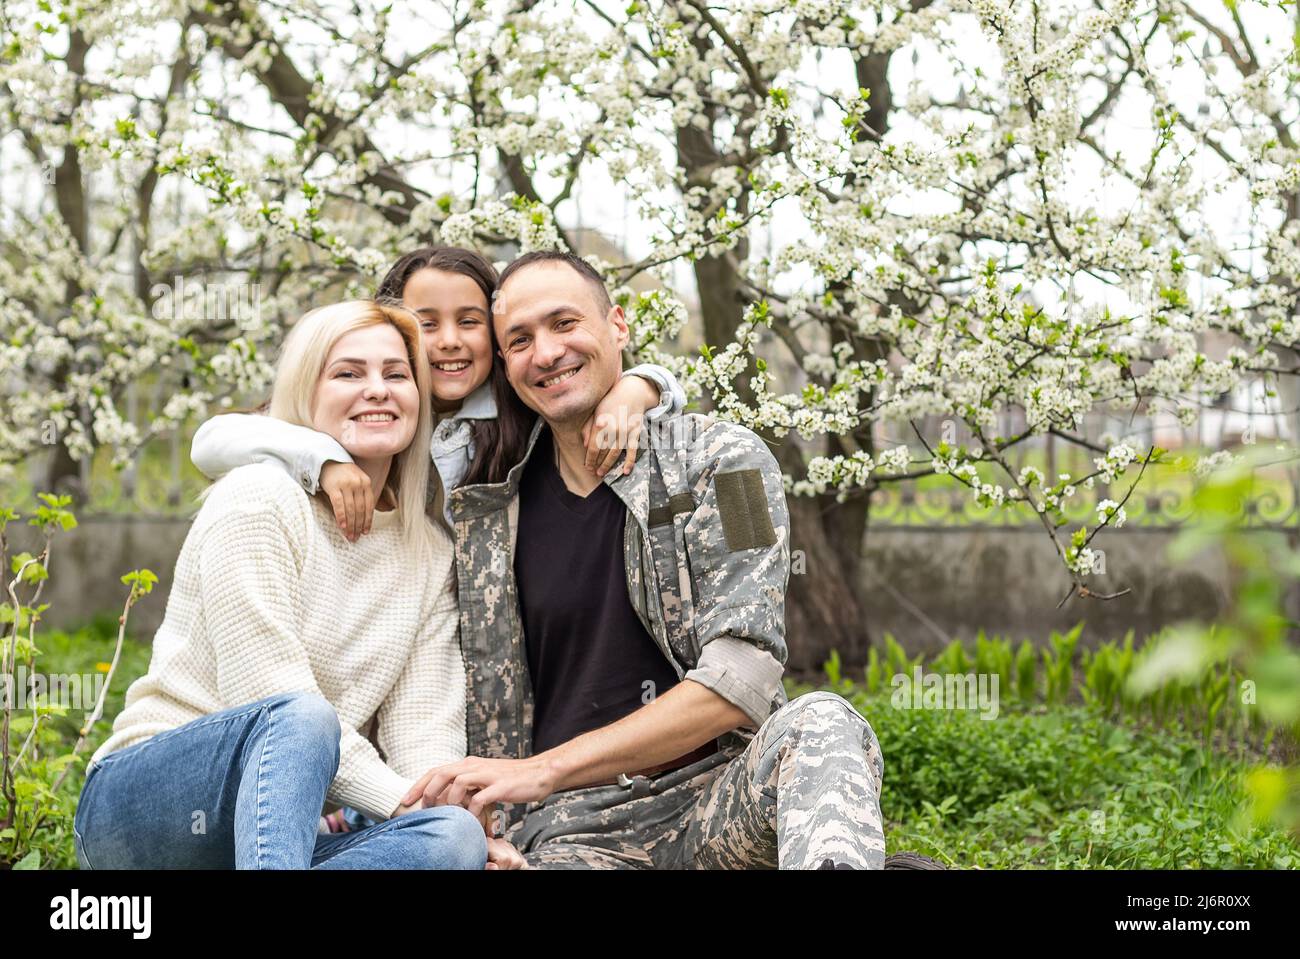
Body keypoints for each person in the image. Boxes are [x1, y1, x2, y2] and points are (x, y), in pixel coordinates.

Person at [401, 251, 890, 869]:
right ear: (505, 365)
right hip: (570, 834)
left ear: (619, 327)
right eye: (519, 340)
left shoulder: (729, 464)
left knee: (822, 722)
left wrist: (542, 770)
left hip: (722, 795)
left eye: (564, 323)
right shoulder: (485, 519)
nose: (546, 353)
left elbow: (743, 679)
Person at [73, 300, 488, 870]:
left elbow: (424, 725)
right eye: (348, 373)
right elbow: (265, 694)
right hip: (146, 808)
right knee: (300, 715)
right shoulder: (258, 499)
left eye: (397, 375)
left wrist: (438, 804)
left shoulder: (429, 552)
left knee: (454, 837)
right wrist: (400, 803)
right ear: (306, 393)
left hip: (272, 834)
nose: (377, 390)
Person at [191, 246, 685, 540]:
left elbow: (608, 385)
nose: (449, 340)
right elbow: (211, 442)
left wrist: (637, 388)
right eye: (426, 324)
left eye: (469, 322)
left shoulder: (519, 411)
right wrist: (324, 460)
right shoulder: (363, 412)